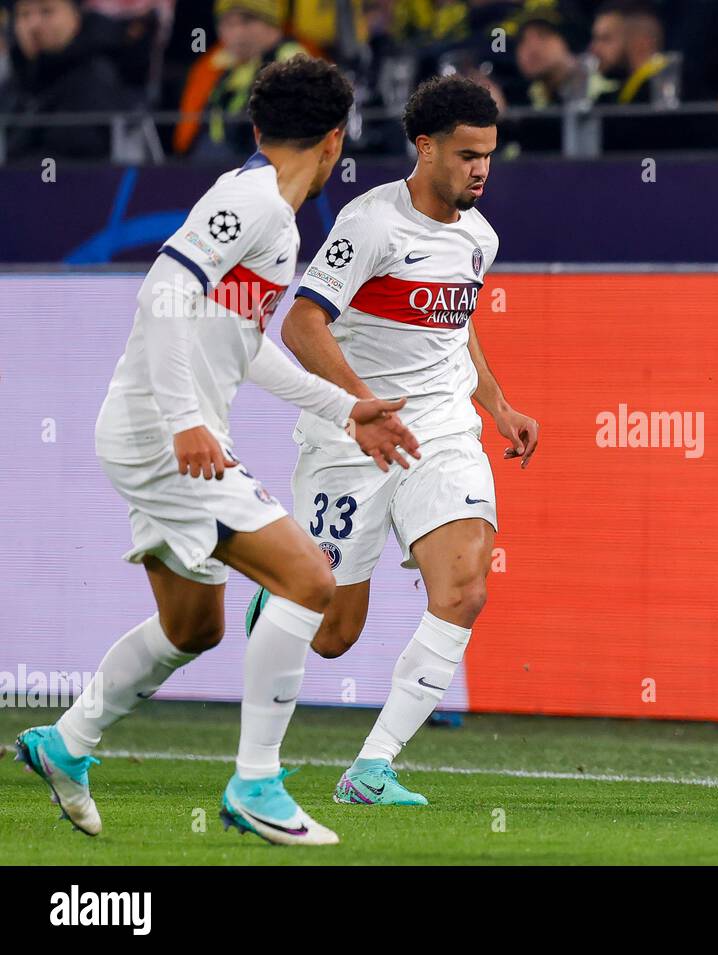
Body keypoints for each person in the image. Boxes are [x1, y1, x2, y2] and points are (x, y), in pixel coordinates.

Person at [15, 56, 421, 844]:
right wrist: (183, 420)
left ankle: (65, 741)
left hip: (160, 432)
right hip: (163, 436)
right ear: (336, 140)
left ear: (260, 124)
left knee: (193, 626)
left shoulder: (272, 211)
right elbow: (163, 289)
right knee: (308, 575)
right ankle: (257, 784)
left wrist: (348, 409)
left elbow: (243, 344)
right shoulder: (254, 202)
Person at [246, 75, 539, 806]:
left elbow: (455, 325)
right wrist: (362, 405)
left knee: (466, 587)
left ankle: (371, 769)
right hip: (350, 439)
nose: (481, 169)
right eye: (468, 154)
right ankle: (279, 589)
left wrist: (497, 405)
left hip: (439, 428)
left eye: (490, 155)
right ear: (426, 147)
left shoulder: (481, 237)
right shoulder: (370, 221)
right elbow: (301, 322)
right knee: (333, 633)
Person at [173, 0, 307, 159]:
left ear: (272, 24)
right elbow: (187, 131)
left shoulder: (293, 60)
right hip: (214, 162)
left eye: (247, 21)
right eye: (227, 23)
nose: (237, 32)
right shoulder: (213, 65)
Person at [3, 0, 128, 161]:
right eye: (24, 14)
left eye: (47, 11)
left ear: (76, 18)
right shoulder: (16, 80)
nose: (33, 25)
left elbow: (70, 160)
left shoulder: (95, 77)